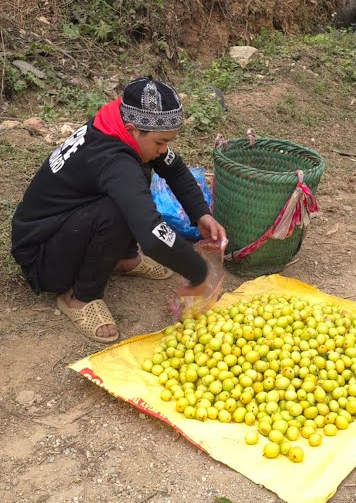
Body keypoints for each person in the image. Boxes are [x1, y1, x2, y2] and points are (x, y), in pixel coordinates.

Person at [10, 76, 227, 343]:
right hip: (42, 255)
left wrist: (200, 213)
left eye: (168, 142)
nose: (163, 149)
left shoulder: (116, 123)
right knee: (120, 205)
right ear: (133, 129)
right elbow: (151, 235)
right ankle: (81, 297)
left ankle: (123, 259)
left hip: (68, 223)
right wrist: (198, 272)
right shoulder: (113, 160)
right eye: (160, 142)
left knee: (138, 177)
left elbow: (175, 168)